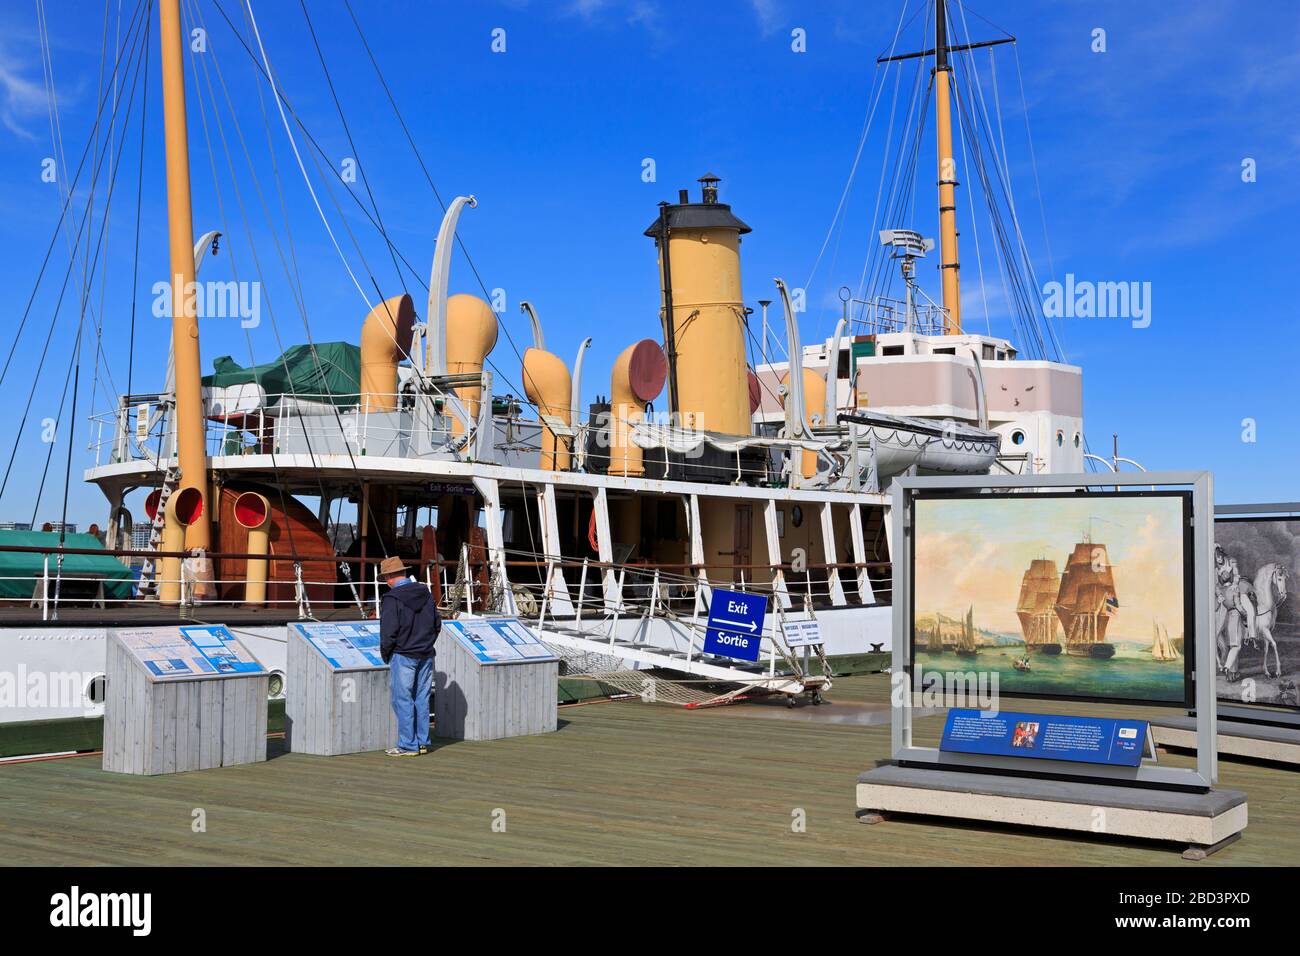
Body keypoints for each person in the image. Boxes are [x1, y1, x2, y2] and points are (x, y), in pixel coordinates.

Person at [378, 556, 440, 756]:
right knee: (421, 698)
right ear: (403, 573)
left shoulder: (391, 599)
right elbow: (437, 624)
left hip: (403, 654)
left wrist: (386, 653)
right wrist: (427, 643)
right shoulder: (425, 593)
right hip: (425, 653)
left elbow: (388, 632)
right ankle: (422, 742)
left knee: (402, 699)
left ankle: (407, 745)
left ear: (388, 577)